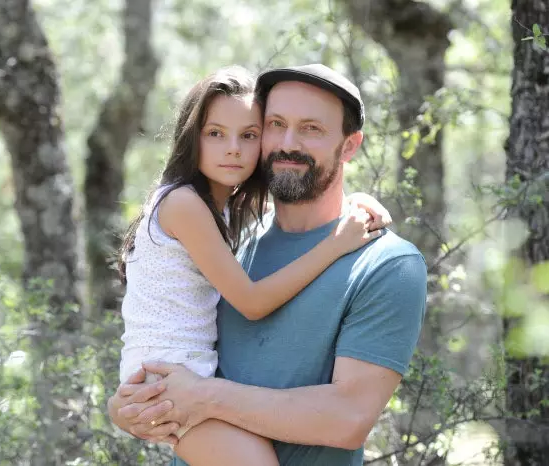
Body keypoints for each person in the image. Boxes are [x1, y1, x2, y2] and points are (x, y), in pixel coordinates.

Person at [108, 63, 428, 466]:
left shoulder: (386, 264)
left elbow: (348, 420)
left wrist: (202, 397)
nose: (288, 143)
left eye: (311, 128)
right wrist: (125, 408)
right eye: (275, 124)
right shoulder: (233, 239)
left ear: (349, 146)